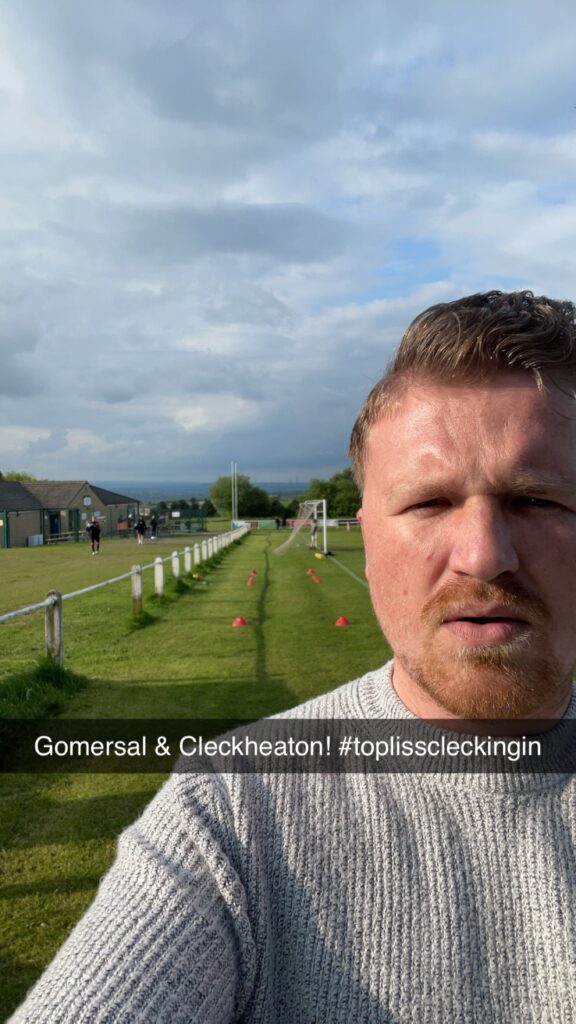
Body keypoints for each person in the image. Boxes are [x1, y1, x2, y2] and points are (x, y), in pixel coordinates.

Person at [10, 291, 576, 1022]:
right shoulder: (231, 811)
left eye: (537, 500)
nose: (483, 557)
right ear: (365, 534)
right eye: (430, 503)